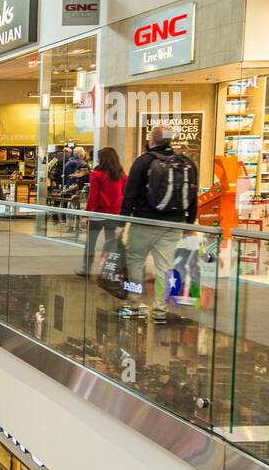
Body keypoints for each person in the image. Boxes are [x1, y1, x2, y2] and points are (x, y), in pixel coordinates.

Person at [120, 125, 198, 324]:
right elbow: (192, 195)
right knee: (165, 268)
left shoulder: (143, 162)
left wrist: (122, 221)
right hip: (173, 224)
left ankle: (134, 303)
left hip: (144, 222)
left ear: (151, 141)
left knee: (135, 261)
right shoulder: (186, 163)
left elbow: (130, 194)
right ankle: (160, 311)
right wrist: (189, 223)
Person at [82, 146, 127, 276]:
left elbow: (93, 196)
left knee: (90, 242)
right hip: (114, 214)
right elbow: (125, 192)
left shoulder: (96, 174)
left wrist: (86, 214)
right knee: (111, 244)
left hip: (98, 213)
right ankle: (109, 270)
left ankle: (86, 269)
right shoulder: (121, 174)